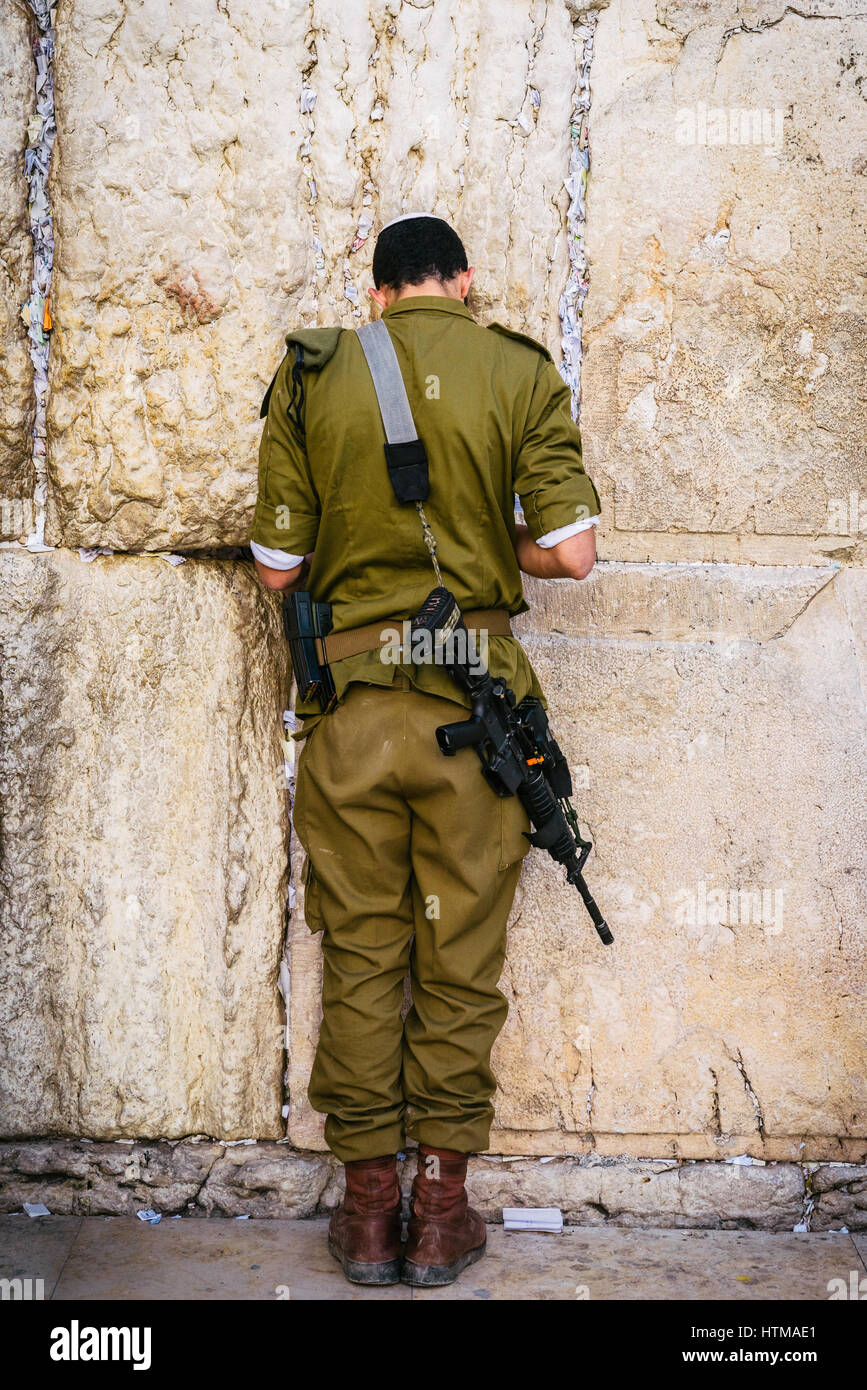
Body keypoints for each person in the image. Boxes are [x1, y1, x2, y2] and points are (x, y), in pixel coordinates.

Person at [251, 213, 600, 1287]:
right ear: (467, 281)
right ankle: (441, 1214)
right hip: (478, 722)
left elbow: (276, 568)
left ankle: (364, 1216)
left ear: (378, 295)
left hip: (355, 718)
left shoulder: (315, 372)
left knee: (360, 952)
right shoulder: (517, 372)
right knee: (459, 964)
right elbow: (574, 555)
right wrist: (498, 540)